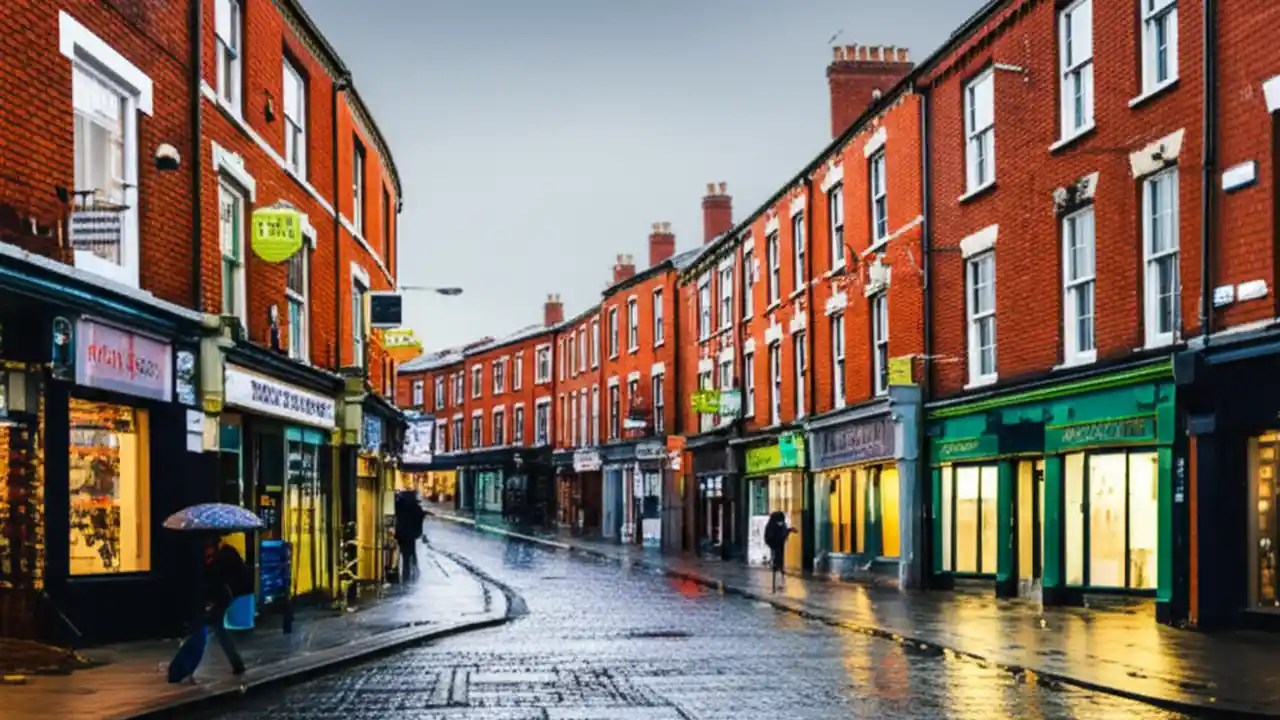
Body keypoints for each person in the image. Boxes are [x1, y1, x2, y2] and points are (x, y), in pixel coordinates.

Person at [202, 535, 251, 675]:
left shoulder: (224, 556)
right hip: (222, 596)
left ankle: (236, 663)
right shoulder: (223, 554)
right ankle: (236, 663)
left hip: (223, 596)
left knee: (216, 628)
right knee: (216, 628)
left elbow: (218, 579)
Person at [394, 490, 426, 583]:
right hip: (411, 535)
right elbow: (419, 517)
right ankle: (412, 571)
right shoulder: (415, 508)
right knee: (410, 553)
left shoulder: (399, 506)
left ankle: (406, 573)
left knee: (404, 555)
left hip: (401, 535)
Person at [763, 511, 796, 592]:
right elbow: (769, 536)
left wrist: (789, 531)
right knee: (777, 558)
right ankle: (777, 570)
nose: (781, 522)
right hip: (774, 543)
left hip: (780, 543)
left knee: (780, 558)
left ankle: (779, 572)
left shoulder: (780, 524)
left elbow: (783, 533)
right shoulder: (771, 525)